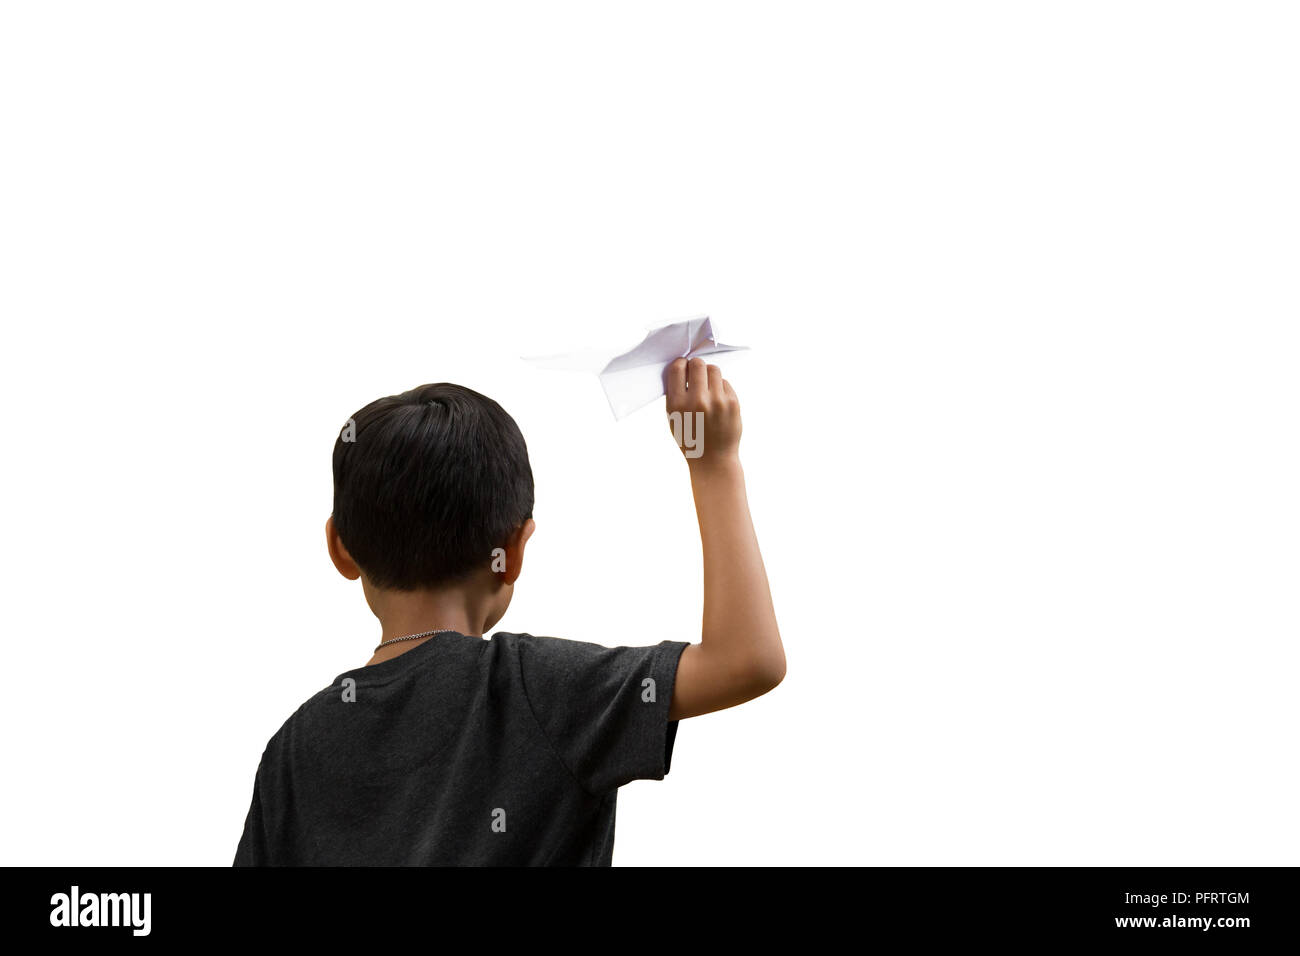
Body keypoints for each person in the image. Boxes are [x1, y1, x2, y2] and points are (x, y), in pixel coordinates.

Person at [234, 357, 784, 865]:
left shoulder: (295, 747)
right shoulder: (536, 689)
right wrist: (714, 463)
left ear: (340, 548)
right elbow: (748, 660)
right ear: (513, 552)